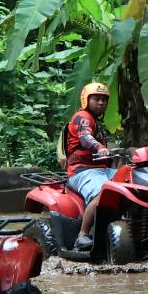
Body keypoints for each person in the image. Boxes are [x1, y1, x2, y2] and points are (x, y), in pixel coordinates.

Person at [63, 82, 114, 250]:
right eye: (96, 99)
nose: (101, 103)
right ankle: (82, 235)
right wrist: (100, 147)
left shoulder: (96, 121)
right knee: (102, 193)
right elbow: (85, 137)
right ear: (86, 99)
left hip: (101, 169)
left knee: (131, 181)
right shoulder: (82, 117)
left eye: (104, 100)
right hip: (82, 171)